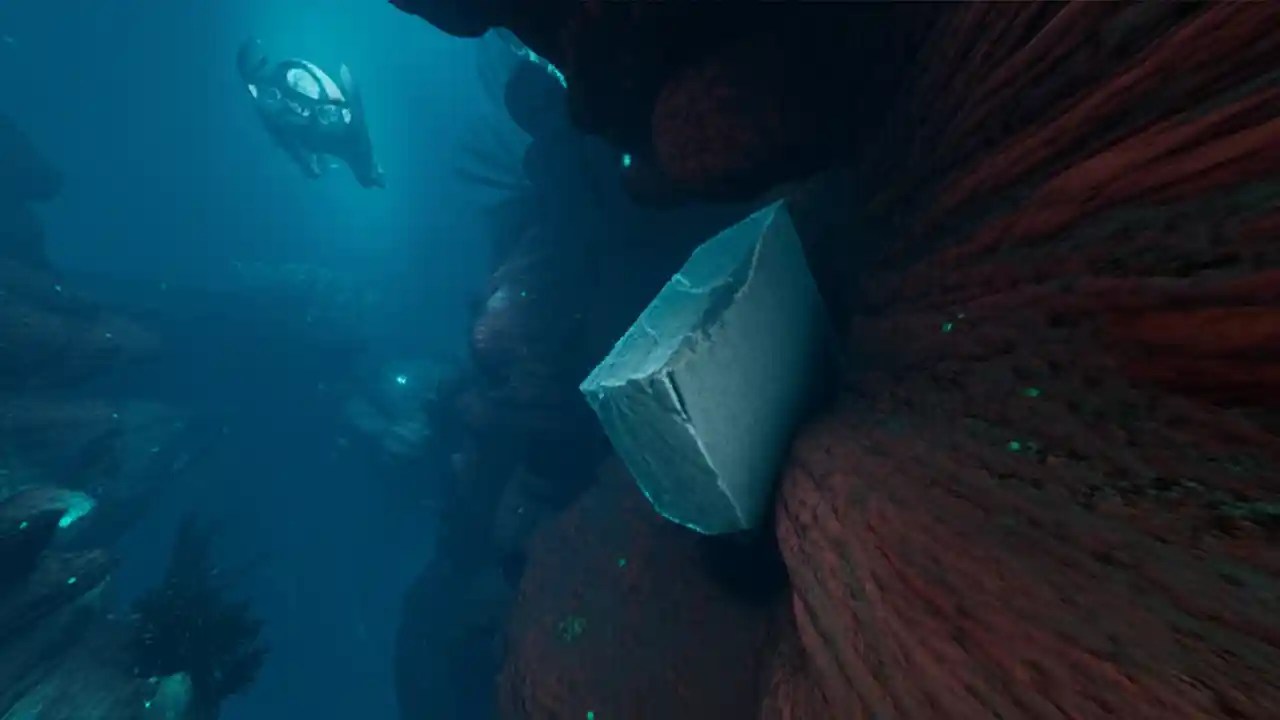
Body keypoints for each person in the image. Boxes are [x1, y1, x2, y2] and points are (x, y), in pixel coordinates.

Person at [236, 38, 385, 188]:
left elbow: (331, 106)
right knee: (365, 171)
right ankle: (369, 171)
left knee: (366, 173)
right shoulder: (270, 95)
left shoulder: (290, 74)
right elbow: (284, 137)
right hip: (330, 135)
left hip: (340, 131)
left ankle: (370, 172)